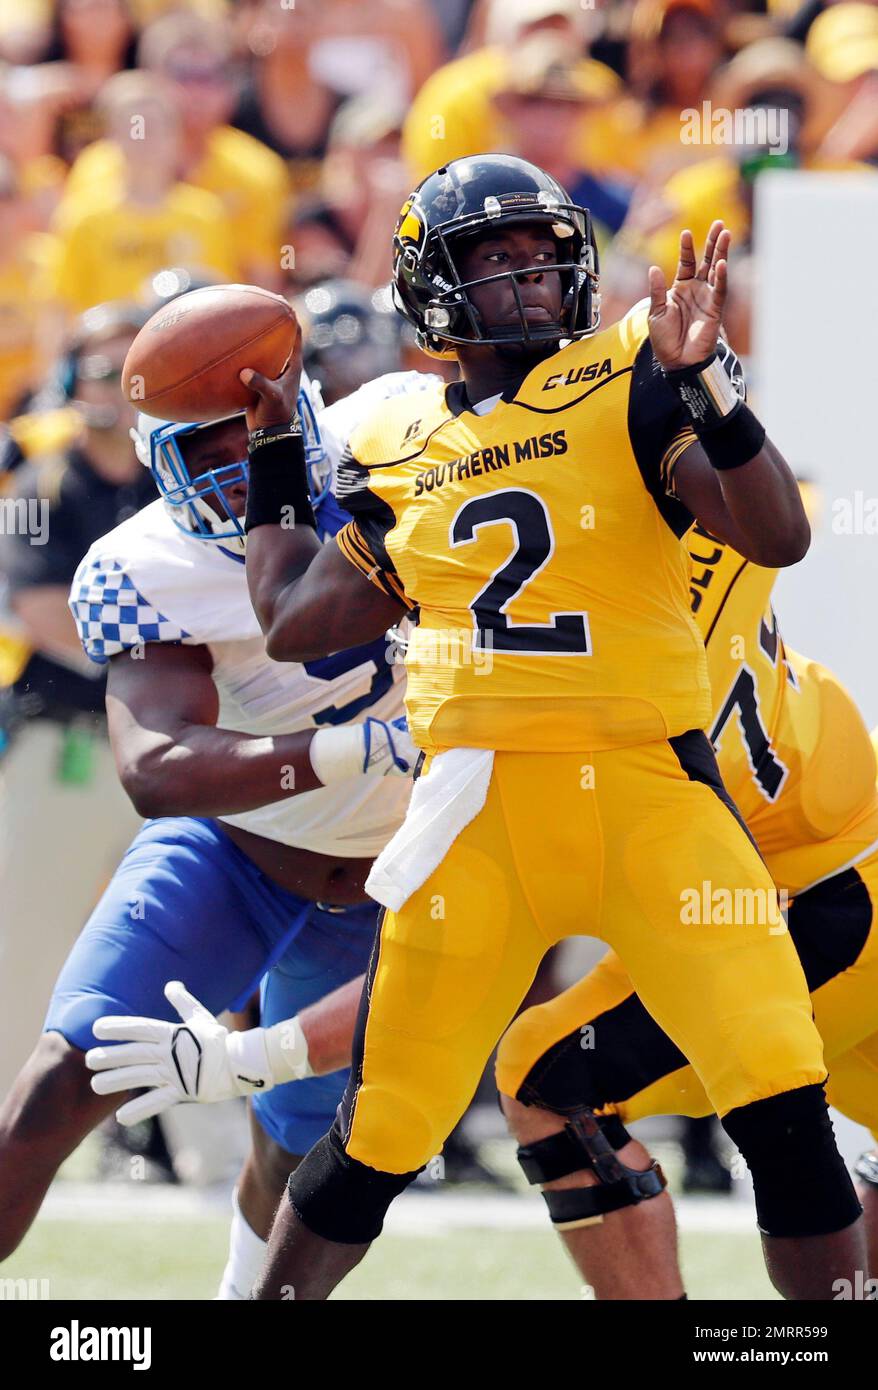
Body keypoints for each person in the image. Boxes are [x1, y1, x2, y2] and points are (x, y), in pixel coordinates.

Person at [240, 153, 863, 1300]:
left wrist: (712, 391)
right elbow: (289, 620)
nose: (528, 276)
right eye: (494, 257)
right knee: (382, 1131)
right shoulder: (397, 438)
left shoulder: (631, 376)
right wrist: (277, 456)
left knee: (780, 1103)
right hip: (477, 808)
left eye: (539, 253)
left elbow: (776, 534)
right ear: (432, 286)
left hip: (649, 792)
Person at [0, 365, 436, 1300]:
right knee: (69, 1069)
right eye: (206, 451)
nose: (237, 468)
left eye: (252, 438)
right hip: (236, 852)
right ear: (163, 462)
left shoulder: (400, 443)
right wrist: (358, 749)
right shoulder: (145, 561)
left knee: (309, 1152)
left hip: (398, 875)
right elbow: (157, 771)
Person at [496, 515, 878, 1296]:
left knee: (543, 1076)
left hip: (816, 906)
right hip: (831, 866)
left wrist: (270, 1055)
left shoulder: (585, 673)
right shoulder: (725, 526)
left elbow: (463, 954)